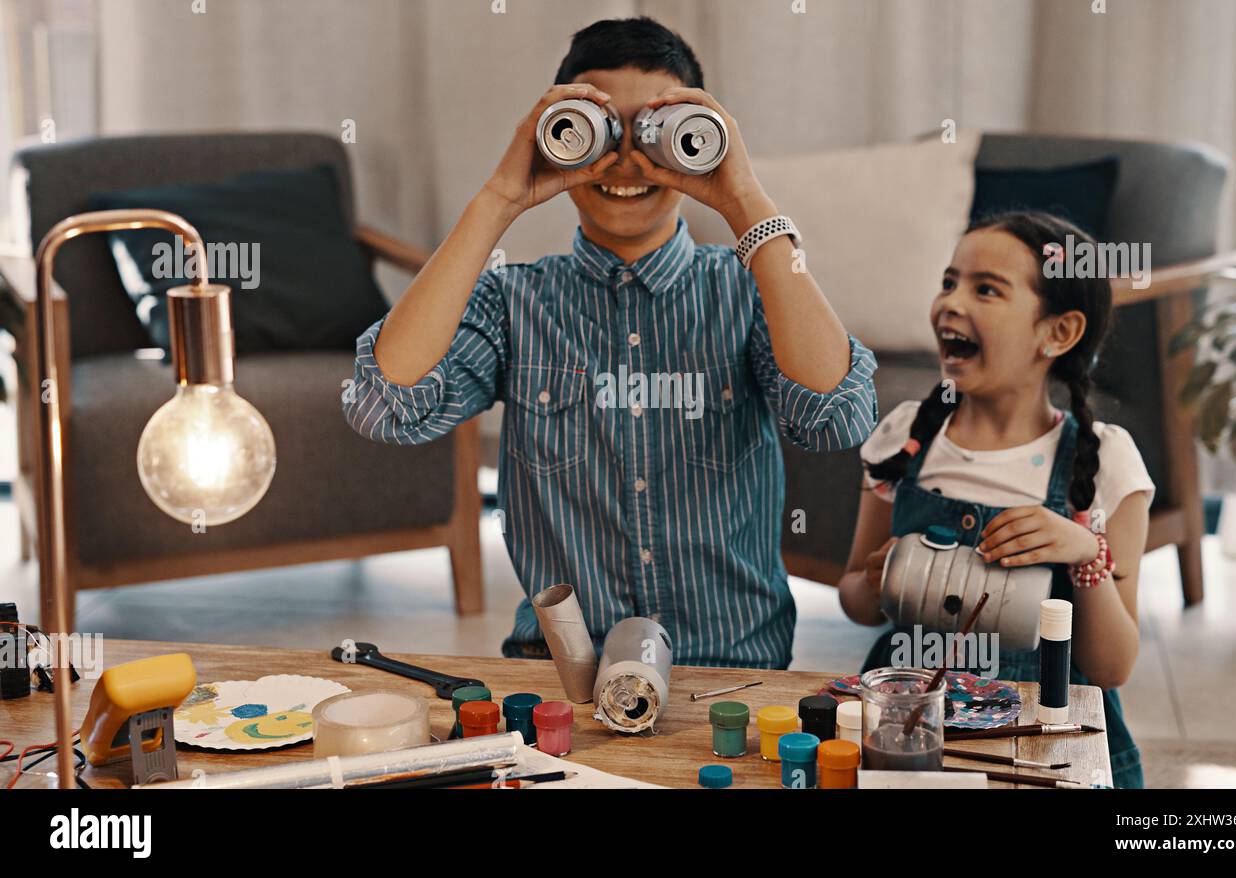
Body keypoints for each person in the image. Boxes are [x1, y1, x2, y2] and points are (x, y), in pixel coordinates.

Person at [344, 17, 877, 668]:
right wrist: (500, 197)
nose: (626, 160)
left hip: (731, 671)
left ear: (701, 139)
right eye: (596, 129)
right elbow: (384, 405)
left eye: (658, 133)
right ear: (555, 134)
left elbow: (837, 415)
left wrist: (743, 199)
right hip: (560, 672)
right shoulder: (516, 303)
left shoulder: (749, 290)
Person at [838, 211, 1153, 787]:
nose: (950, 303)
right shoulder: (904, 438)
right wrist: (879, 578)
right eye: (949, 281)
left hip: (1045, 735)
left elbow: (1112, 666)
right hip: (909, 724)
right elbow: (858, 602)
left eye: (986, 289)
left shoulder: (1106, 459)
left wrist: (1086, 552)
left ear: (1057, 333)